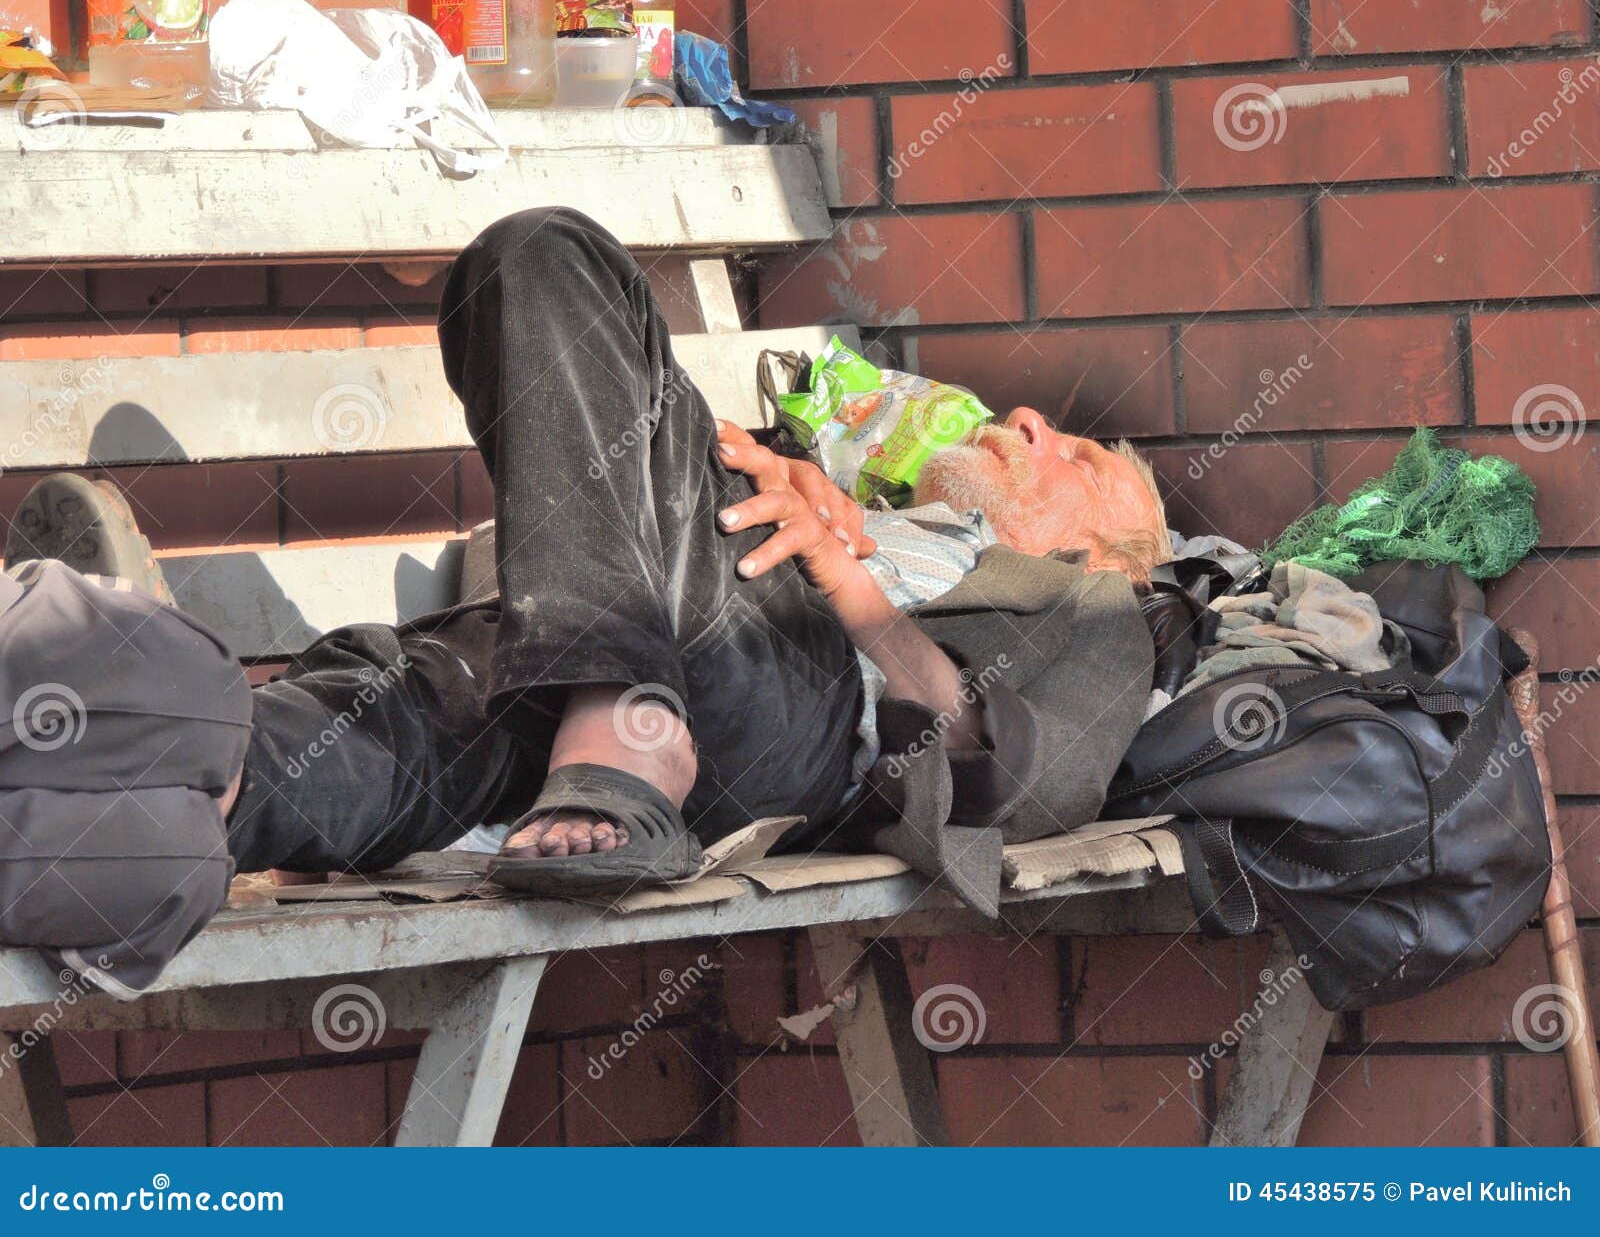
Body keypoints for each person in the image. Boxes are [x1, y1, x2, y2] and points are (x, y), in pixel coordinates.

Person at [0, 208, 1160, 997]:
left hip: (764, 728)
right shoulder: (823, 484)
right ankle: (127, 708)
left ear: (1114, 560)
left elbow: (1028, 777)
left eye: (1080, 460)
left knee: (548, 246)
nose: (1026, 423)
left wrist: (851, 587)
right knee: (247, 774)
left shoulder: (1088, 615)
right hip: (534, 695)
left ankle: (616, 715)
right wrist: (727, 472)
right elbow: (565, 522)